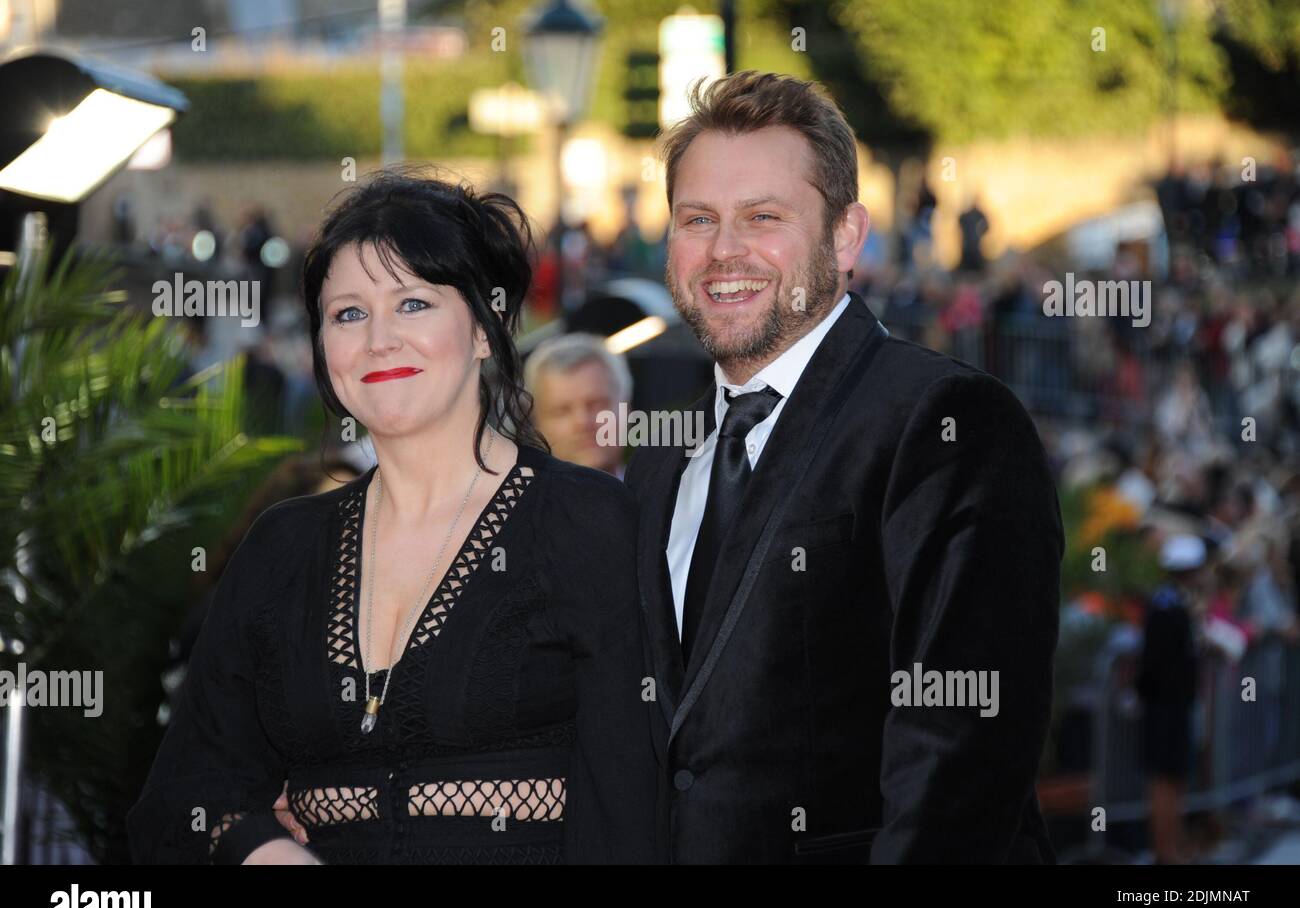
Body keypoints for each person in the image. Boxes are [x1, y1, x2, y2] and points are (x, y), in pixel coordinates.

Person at [127, 168, 658, 865]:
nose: (378, 338)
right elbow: (180, 799)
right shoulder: (282, 548)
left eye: (412, 304)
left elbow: (637, 806)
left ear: (483, 328)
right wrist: (263, 850)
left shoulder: (589, 524)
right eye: (348, 313)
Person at [625, 70, 1064, 863]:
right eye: (698, 219)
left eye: (764, 217)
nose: (724, 251)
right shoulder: (661, 450)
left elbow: (958, 759)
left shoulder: (946, 423)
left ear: (846, 236)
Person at [1136, 533, 1207, 865]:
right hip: (1165, 708)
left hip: (1173, 706)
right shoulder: (1167, 606)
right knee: (1164, 779)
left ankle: (1173, 846)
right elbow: (1156, 665)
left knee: (1174, 778)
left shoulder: (1175, 603)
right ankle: (1165, 851)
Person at [524, 333, 631, 478]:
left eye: (596, 404)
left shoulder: (664, 495)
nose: (583, 423)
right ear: (537, 426)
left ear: (627, 409)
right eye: (562, 411)